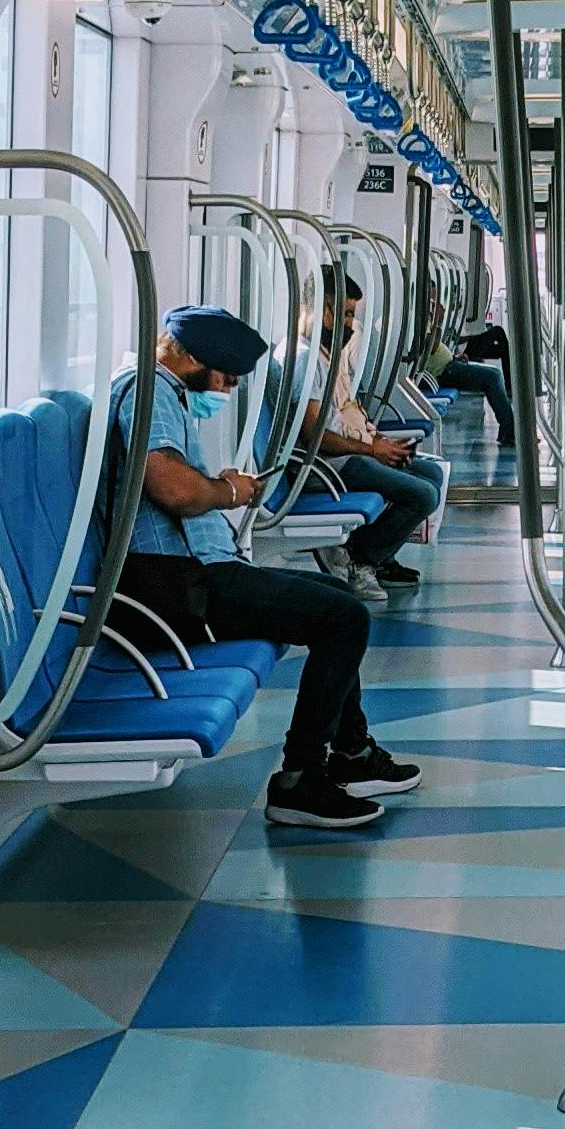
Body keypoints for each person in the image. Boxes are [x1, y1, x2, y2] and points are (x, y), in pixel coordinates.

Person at [116, 305, 421, 834]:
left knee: (333, 596)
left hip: (198, 568)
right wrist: (226, 491)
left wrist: (219, 489)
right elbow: (173, 489)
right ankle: (300, 779)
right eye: (224, 375)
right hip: (178, 585)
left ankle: (350, 753)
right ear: (184, 354)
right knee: (342, 618)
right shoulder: (148, 392)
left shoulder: (159, 392)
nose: (229, 387)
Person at [313, 271, 446, 603]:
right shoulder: (306, 361)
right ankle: (362, 560)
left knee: (431, 473)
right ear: (323, 310)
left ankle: (377, 555)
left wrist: (375, 439)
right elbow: (319, 437)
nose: (349, 325)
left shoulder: (332, 357)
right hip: (329, 466)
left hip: (350, 452)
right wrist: (373, 450)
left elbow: (346, 410)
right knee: (423, 495)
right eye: (344, 314)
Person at [432, 317, 515, 463]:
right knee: (492, 377)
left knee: (494, 373)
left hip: (450, 364)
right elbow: (431, 347)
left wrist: (453, 356)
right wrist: (436, 319)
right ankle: (511, 433)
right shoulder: (420, 318)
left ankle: (510, 432)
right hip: (442, 372)